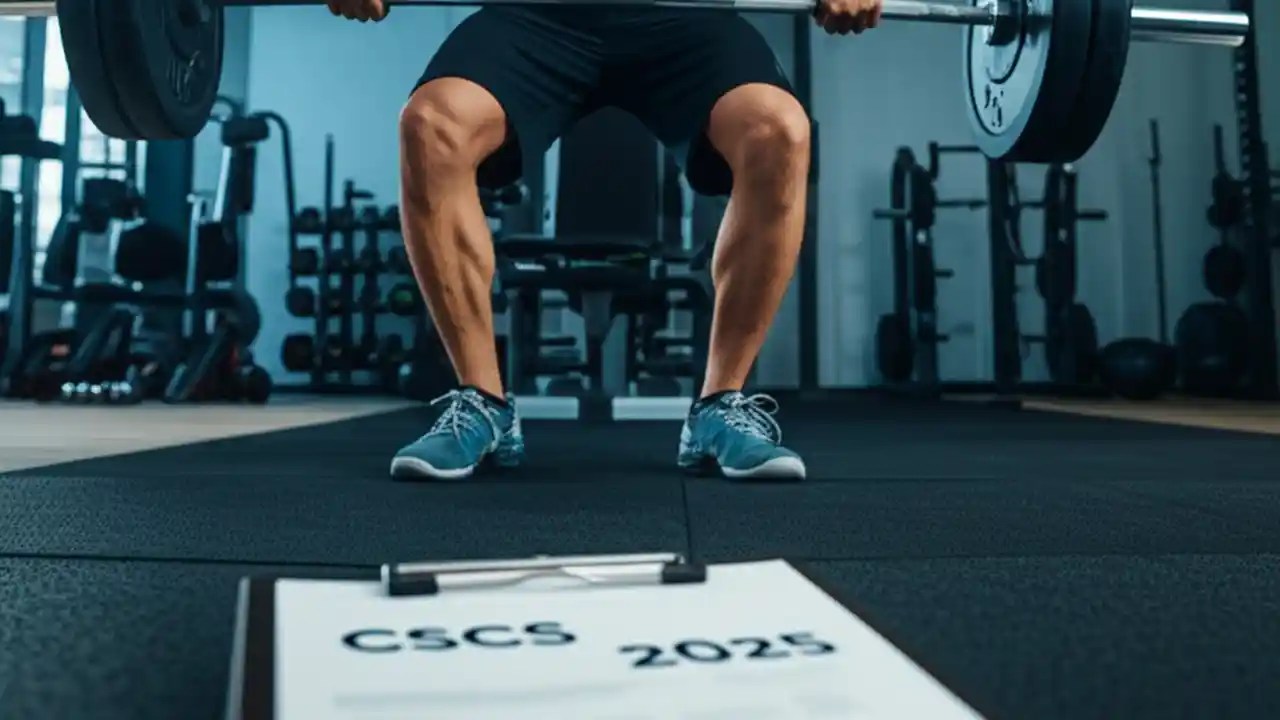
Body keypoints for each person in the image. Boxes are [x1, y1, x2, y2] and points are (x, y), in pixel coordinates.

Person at [326, 0, 883, 482]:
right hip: (538, 16)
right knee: (431, 125)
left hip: (686, 15)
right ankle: (483, 403)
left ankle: (720, 405)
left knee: (780, 130)